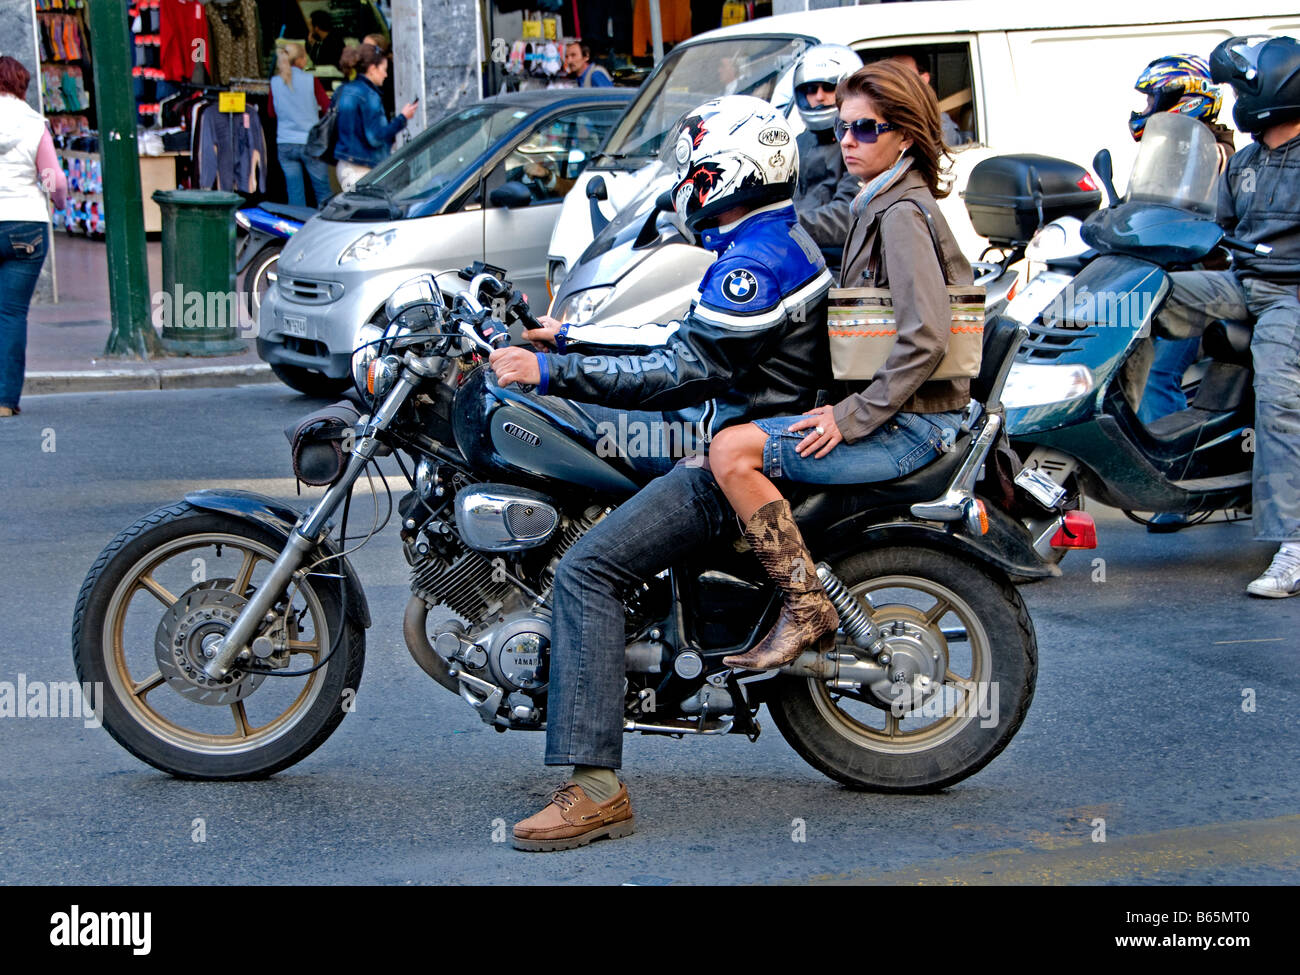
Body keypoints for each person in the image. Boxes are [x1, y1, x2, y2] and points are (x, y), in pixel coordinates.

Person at [487, 95, 833, 849]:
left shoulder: (755, 261)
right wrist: (570, 334)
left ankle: (595, 788)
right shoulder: (766, 240)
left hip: (732, 458)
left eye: (695, 171)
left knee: (586, 571)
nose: (685, 184)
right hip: (725, 435)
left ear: (726, 175)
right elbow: (680, 337)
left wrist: (547, 371)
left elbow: (677, 370)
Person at [709, 59, 971, 670]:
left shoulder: (900, 215)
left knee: (730, 452)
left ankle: (805, 607)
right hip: (896, 410)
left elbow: (926, 337)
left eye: (865, 130)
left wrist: (850, 417)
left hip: (912, 424)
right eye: (841, 130)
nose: (847, 142)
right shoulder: (875, 201)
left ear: (904, 135)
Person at [1150, 35, 1300, 597]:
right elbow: (1219, 235)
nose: (1238, 95)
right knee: (1149, 296)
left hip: (1292, 297)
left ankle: (1294, 544)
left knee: (1282, 398)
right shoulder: (1245, 161)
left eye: (1245, 85)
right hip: (1242, 285)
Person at [1131, 54, 1235, 427]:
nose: (1145, 108)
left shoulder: (1214, 150)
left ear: (1185, 97)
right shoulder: (1172, 148)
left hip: (1198, 279)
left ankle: (1163, 473)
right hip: (1161, 275)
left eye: (1151, 99)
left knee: (1157, 375)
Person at [0, 56, 67, 418]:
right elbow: (52, 180)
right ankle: (5, 401)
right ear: (22, 86)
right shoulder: (34, 124)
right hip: (26, 224)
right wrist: (58, 201)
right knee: (11, 314)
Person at [790, 43, 863, 274]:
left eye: (828, 88)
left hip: (837, 266)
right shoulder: (798, 142)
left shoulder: (860, 141)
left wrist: (785, 223)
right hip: (794, 255)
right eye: (811, 89)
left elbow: (848, 213)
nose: (819, 97)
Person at [332, 44, 417, 192]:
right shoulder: (370, 96)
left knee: (357, 212)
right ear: (372, 69)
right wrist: (402, 118)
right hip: (362, 169)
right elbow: (376, 137)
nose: (386, 75)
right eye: (383, 70)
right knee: (370, 213)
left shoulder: (342, 90)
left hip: (344, 166)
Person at [269, 43, 333, 208]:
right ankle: (326, 229)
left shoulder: (274, 82)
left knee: (295, 194)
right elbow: (327, 107)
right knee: (323, 192)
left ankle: (297, 229)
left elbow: (271, 112)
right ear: (299, 60)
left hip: (285, 142)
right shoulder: (311, 80)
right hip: (310, 141)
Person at [886, 49, 967, 146]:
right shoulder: (882, 112)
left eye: (903, 73)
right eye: (890, 72)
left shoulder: (939, 124)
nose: (894, 78)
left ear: (924, 79)